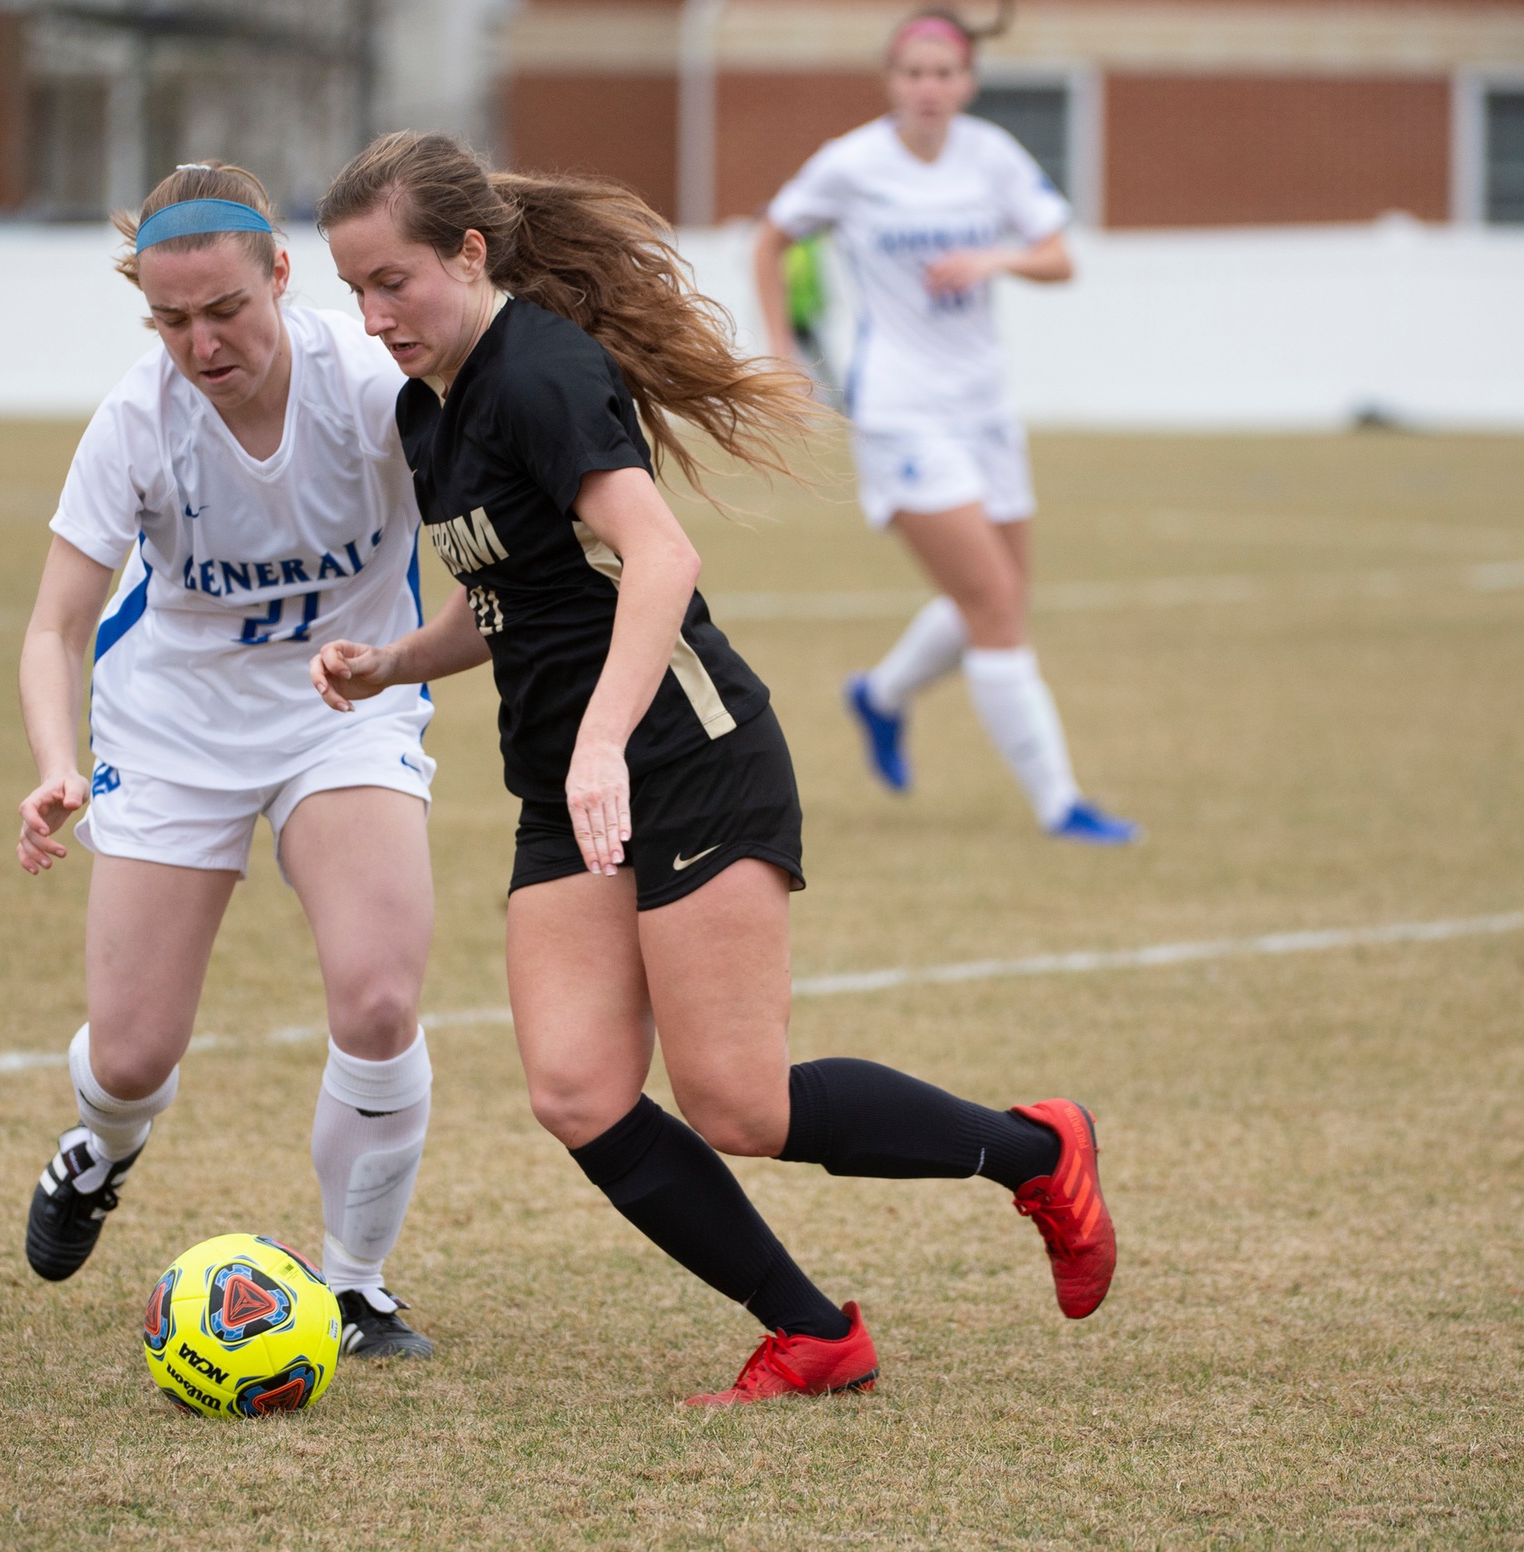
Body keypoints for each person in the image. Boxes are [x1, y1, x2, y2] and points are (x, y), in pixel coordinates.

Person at [307, 131, 1117, 1406]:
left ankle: (1033, 1150)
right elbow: (511, 592)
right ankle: (811, 1330)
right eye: (354, 290)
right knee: (576, 1089)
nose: (373, 317)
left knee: (738, 1102)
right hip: (575, 785)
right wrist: (395, 660)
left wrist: (598, 744)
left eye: (393, 282)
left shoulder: (544, 371)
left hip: (688, 757)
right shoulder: (430, 409)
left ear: (468, 254)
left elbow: (659, 560)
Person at [15, 162, 439, 1360]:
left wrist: (401, 660)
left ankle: (355, 1286)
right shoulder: (137, 422)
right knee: (135, 1053)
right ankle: (103, 1144)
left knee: (378, 995)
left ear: (282, 279)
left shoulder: (371, 386)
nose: (201, 344)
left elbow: (487, 535)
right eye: (171, 320)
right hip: (172, 727)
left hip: (343, 708)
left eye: (224, 312)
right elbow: (53, 624)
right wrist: (57, 762)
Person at [752, 8, 1140, 844]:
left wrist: (994, 257)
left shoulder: (990, 155)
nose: (928, 88)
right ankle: (1060, 805)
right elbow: (772, 239)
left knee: (999, 600)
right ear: (890, 81)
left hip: (986, 407)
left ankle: (880, 696)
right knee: (994, 602)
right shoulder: (851, 164)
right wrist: (782, 350)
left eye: (943, 74)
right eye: (913, 73)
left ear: (967, 82)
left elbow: (1059, 255)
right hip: (900, 411)